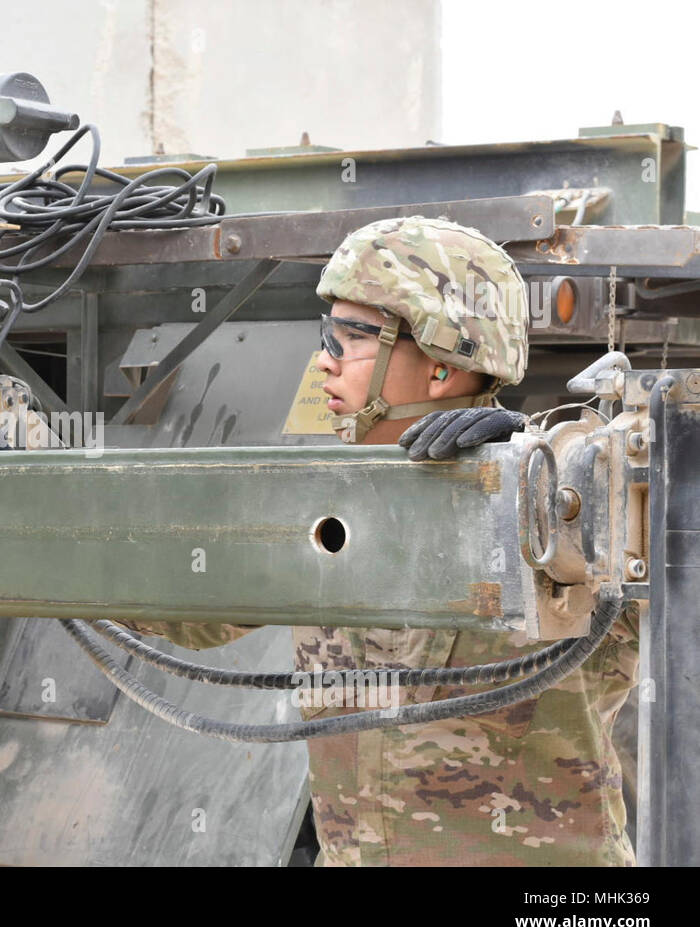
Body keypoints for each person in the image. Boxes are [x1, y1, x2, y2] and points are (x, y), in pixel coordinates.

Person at [120, 216, 639, 866]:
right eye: (324, 337)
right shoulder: (323, 503)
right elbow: (180, 609)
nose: (323, 361)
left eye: (351, 339)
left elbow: (670, 540)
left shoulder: (565, 500)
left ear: (441, 370)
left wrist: (544, 462)